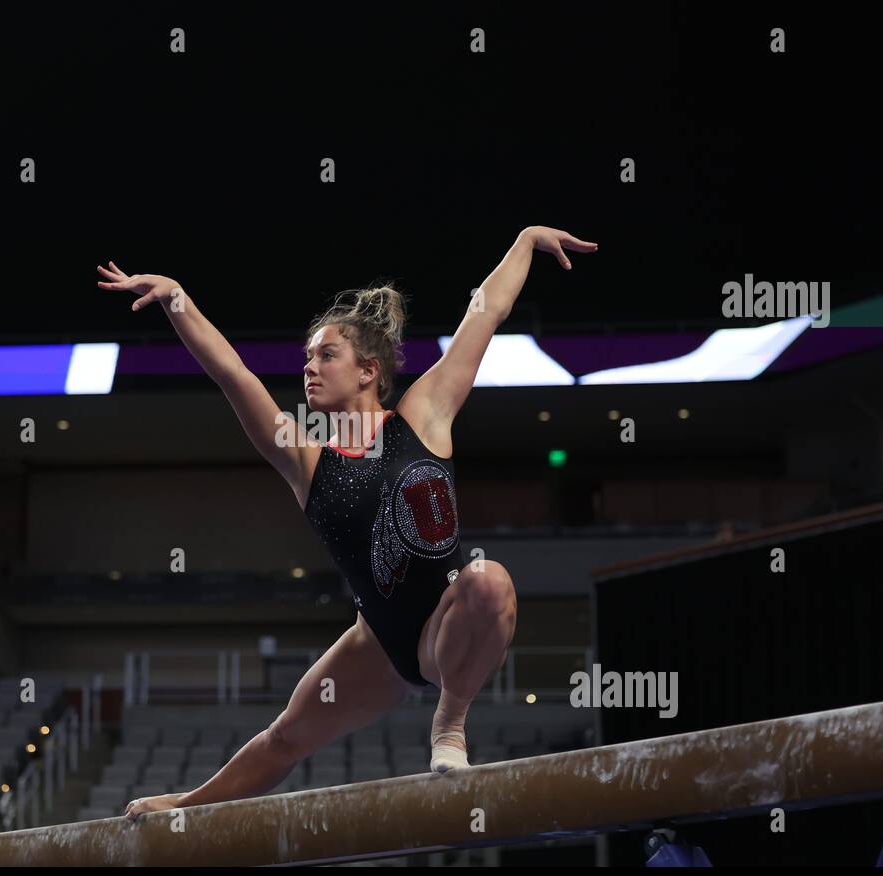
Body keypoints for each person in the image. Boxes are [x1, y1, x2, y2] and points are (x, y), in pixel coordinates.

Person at [98, 225, 598, 820]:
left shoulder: (425, 415)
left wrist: (525, 241)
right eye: (306, 356)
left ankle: (450, 726)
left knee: (489, 579)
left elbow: (484, 313)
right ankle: (186, 804)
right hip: (377, 644)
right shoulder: (304, 458)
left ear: (368, 371)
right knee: (285, 737)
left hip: (446, 628)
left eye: (325, 354)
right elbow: (233, 375)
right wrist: (178, 299)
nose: (308, 367)